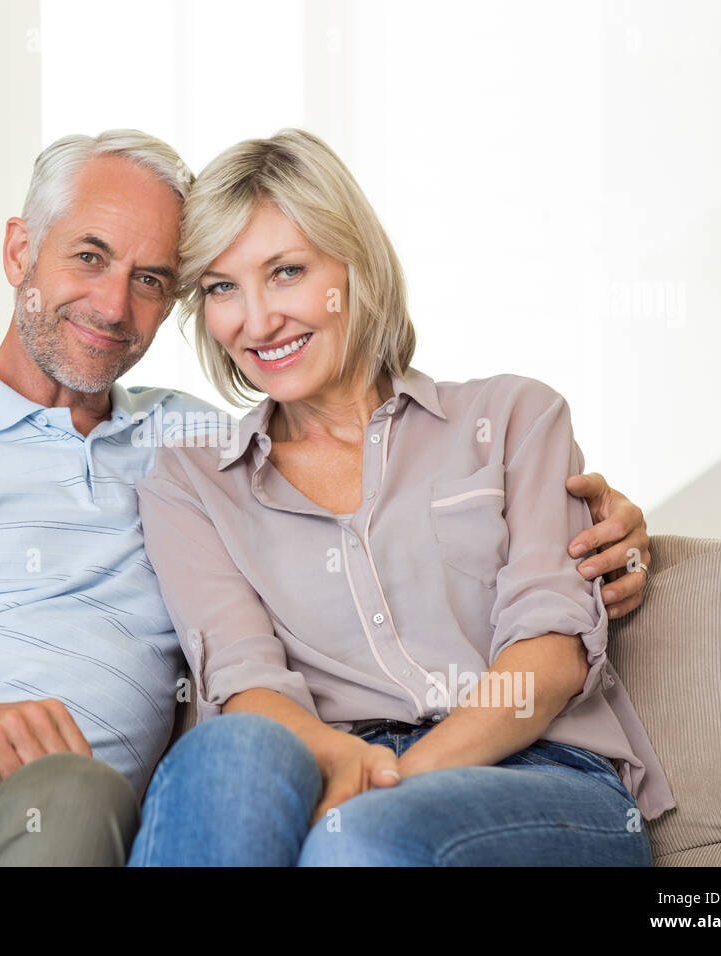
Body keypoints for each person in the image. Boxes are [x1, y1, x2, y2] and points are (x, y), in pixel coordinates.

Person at [0, 129, 654, 867]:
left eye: (157, 278)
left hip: (50, 813)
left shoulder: (188, 443)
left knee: (90, 797)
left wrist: (601, 517)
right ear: (20, 249)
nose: (114, 305)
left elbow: (528, 619)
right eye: (88, 257)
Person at [128, 128, 674, 867]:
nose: (256, 322)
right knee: (224, 758)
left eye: (286, 271)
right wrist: (341, 773)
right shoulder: (191, 481)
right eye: (222, 288)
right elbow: (246, 681)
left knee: (362, 843)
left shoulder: (515, 417)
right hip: (330, 769)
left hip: (537, 776)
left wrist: (388, 786)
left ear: (353, 266)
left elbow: (547, 660)